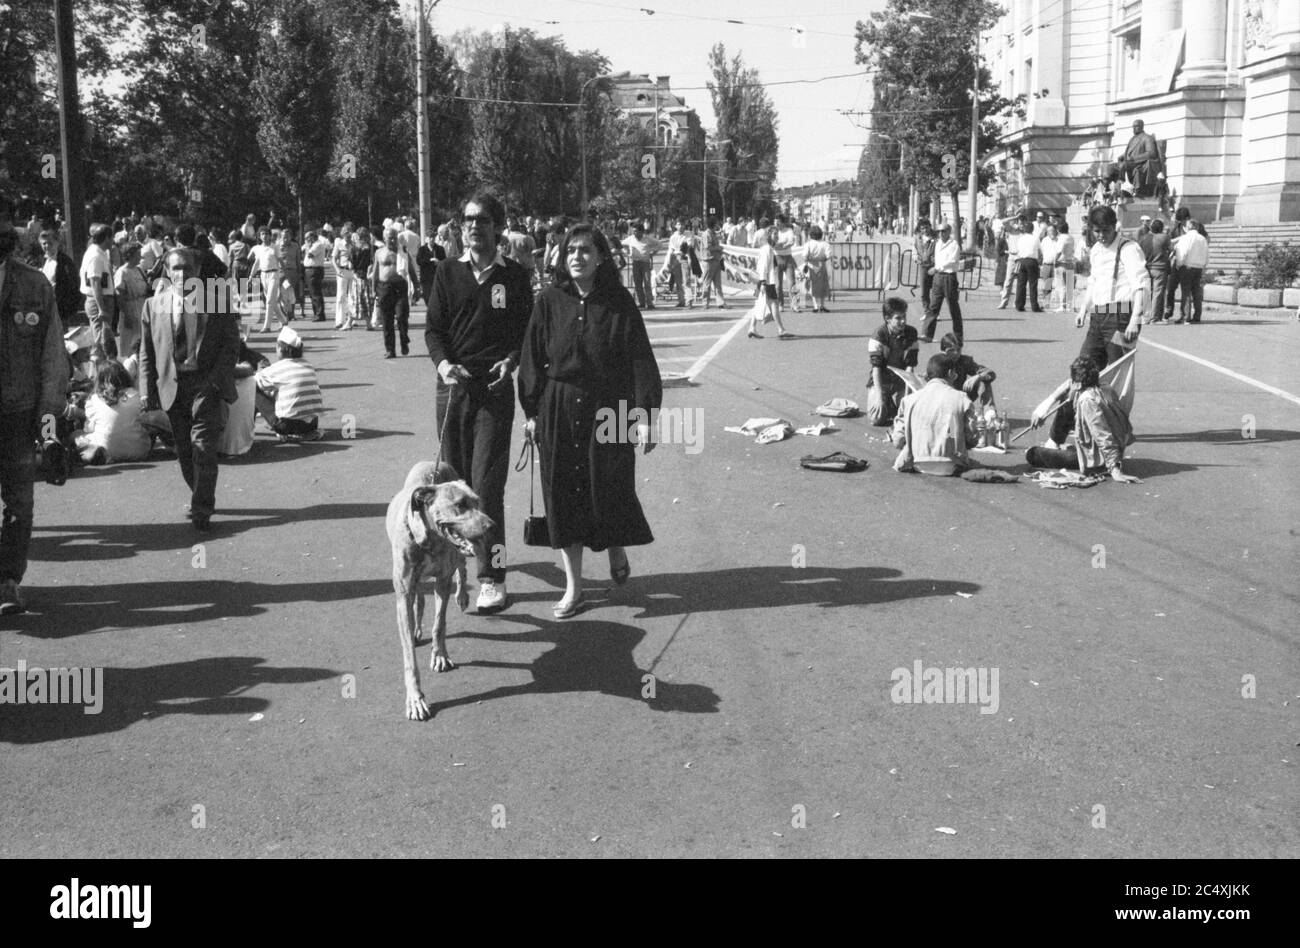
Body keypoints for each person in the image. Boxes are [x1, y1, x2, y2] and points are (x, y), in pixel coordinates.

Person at [518, 224, 661, 618]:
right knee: (563, 495)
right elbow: (532, 359)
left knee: (610, 486)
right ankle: (575, 587)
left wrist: (645, 415)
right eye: (570, 251)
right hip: (559, 407)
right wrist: (531, 412)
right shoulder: (548, 300)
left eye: (585, 250)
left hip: (610, 407)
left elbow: (640, 360)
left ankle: (615, 543)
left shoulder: (620, 302)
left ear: (600, 257)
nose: (577, 257)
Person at [425, 192, 534, 613]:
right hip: (453, 389)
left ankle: (494, 577)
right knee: (452, 489)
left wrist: (511, 361)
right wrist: (443, 363)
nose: (472, 226)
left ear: (498, 228)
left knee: (486, 488)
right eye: (467, 219)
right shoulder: (447, 272)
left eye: (482, 220)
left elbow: (526, 333)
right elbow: (434, 330)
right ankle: (453, 567)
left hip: (493, 392)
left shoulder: (515, 278)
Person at [138, 248, 240, 532]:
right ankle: (200, 492)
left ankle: (201, 509)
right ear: (167, 272)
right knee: (184, 450)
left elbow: (231, 346)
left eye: (186, 269)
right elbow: (146, 352)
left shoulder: (217, 302)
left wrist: (215, 382)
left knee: (204, 448)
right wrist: (146, 391)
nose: (181, 274)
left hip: (205, 385)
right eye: (175, 269)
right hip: (172, 387)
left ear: (197, 273)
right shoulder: (153, 306)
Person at [0, 217, 69, 613]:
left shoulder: (35, 286)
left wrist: (50, 429)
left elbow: (53, 360)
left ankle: (8, 581)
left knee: (19, 505)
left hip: (19, 416)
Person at [1027, 355, 1141, 482]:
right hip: (1117, 447)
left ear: (1079, 383)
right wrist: (1044, 407)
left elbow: (1102, 434)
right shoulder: (1105, 386)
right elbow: (1067, 384)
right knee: (1068, 399)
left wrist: (1114, 468)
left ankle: (1100, 461)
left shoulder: (1087, 400)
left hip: (1102, 459)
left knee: (1033, 454)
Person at [1074, 204, 1148, 375]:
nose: (1101, 236)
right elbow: (1093, 281)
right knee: (1084, 368)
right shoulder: (1096, 250)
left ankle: (1115, 402)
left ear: (1115, 226)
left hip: (1121, 315)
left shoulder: (1128, 248)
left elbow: (1141, 285)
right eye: (1096, 231)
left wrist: (1135, 319)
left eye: (1105, 231)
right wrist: (1084, 309)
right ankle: (1088, 401)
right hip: (1098, 316)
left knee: (1118, 370)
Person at [891, 352, 979, 475]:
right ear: (950, 373)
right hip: (952, 464)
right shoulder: (961, 398)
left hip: (917, 463)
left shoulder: (909, 400)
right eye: (955, 373)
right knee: (953, 428)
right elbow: (972, 438)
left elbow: (898, 440)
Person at [72, 360, 153, 464]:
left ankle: (92, 454)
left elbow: (89, 429)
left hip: (107, 449)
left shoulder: (94, 399)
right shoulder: (137, 395)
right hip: (140, 451)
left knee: (75, 435)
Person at [254, 326, 324, 442]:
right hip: (312, 423)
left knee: (254, 390)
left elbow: (255, 381)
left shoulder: (278, 368)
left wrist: (260, 370)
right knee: (282, 390)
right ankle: (301, 431)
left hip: (286, 425)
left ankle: (249, 428)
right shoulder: (308, 365)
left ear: (280, 349)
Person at [866, 296, 920, 426]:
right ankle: (886, 401)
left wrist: (907, 396)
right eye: (898, 318)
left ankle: (893, 404)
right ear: (887, 319)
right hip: (882, 381)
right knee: (876, 419)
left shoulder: (912, 333)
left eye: (904, 317)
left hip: (901, 381)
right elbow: (876, 369)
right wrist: (879, 397)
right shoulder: (878, 336)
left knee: (910, 414)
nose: (903, 321)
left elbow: (910, 367)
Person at [938, 333, 998, 448]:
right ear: (943, 351)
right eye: (951, 350)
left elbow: (990, 373)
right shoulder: (938, 362)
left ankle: (990, 415)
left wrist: (978, 376)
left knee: (984, 381)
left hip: (963, 396)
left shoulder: (964, 361)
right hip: (945, 401)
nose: (956, 353)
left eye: (958, 350)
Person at [373, 226, 417, 358]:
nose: (392, 240)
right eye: (389, 237)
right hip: (384, 288)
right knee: (387, 321)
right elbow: (375, 273)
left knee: (402, 316)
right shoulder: (379, 253)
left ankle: (404, 340)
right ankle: (390, 349)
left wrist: (417, 286)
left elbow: (411, 270)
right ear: (384, 238)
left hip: (400, 287)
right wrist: (373, 290)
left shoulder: (402, 252)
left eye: (394, 237)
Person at [748, 225, 793, 340]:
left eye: (777, 234)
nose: (777, 236)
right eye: (774, 234)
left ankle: (752, 328)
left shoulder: (769, 248)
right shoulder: (767, 249)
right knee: (774, 304)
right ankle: (781, 329)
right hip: (767, 281)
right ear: (769, 235)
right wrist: (763, 282)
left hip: (765, 281)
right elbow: (763, 266)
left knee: (760, 303)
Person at [81, 223, 119, 357]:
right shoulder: (95, 255)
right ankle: (99, 375)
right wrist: (101, 308)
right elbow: (94, 282)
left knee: (104, 341)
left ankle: (100, 373)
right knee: (101, 342)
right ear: (107, 238)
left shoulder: (98, 252)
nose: (113, 241)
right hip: (99, 301)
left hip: (102, 300)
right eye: (112, 237)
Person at [922, 222, 964, 344]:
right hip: (938, 277)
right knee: (933, 306)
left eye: (943, 231)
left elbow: (952, 260)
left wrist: (937, 268)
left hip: (949, 277)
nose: (941, 233)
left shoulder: (954, 245)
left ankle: (958, 335)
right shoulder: (938, 243)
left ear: (949, 232)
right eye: (939, 231)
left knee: (953, 307)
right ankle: (927, 334)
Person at [36, 228, 81, 329]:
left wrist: (68, 308)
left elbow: (73, 285)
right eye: (44, 244)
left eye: (50, 243)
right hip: (44, 307)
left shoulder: (65, 262)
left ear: (57, 243)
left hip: (60, 308)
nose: (46, 246)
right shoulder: (42, 261)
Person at [113, 242, 149, 361]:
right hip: (130, 309)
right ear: (131, 255)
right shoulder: (122, 272)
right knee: (132, 343)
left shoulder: (139, 270)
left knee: (144, 341)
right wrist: (127, 315)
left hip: (142, 307)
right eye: (138, 254)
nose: (140, 256)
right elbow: (119, 296)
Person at [1170, 218, 1208, 324]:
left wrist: (1179, 264)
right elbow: (1206, 254)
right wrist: (1204, 266)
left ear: (1188, 227)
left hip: (1187, 267)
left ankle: (1185, 316)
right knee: (1196, 292)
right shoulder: (1202, 238)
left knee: (1186, 292)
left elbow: (1182, 253)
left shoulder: (1186, 238)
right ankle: (1197, 315)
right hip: (1198, 267)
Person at [247, 227, 282, 333]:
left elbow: (281, 261)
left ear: (270, 236)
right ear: (259, 236)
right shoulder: (258, 248)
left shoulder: (275, 247)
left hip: (274, 274)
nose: (265, 236)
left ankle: (267, 326)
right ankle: (284, 321)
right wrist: (251, 276)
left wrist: (286, 276)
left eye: (266, 234)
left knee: (270, 300)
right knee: (271, 301)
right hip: (263, 275)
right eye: (262, 234)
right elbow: (256, 263)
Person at [1140, 219, 1172, 325]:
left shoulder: (1144, 238)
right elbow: (1170, 249)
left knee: (1147, 292)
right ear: (1161, 228)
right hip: (1160, 268)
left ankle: (1145, 316)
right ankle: (1154, 318)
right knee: (1158, 293)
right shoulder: (1164, 237)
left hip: (1147, 267)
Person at [622, 223, 658, 310]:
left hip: (645, 263)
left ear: (641, 232)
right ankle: (641, 302)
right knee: (638, 284)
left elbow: (659, 244)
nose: (634, 233)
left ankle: (650, 303)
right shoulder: (630, 239)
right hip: (636, 263)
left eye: (636, 231)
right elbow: (621, 244)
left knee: (647, 283)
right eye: (633, 231)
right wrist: (627, 252)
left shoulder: (647, 239)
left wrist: (653, 253)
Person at [1122, 120, 1162, 197]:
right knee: (1109, 168)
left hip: (1140, 164)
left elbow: (1151, 153)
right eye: (1133, 127)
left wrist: (1134, 158)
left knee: (1124, 167)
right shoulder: (1132, 139)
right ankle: (1108, 190)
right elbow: (1131, 151)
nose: (1133, 128)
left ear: (1141, 127)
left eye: (1136, 126)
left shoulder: (1147, 138)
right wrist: (1122, 156)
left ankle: (1127, 190)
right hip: (1129, 162)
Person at [1013, 216, 1044, 312]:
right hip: (1032, 261)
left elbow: (1018, 250)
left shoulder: (1021, 239)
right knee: (1033, 284)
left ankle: (1019, 305)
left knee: (1021, 284)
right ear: (1033, 229)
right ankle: (1034, 306)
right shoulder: (1035, 238)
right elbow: (1040, 250)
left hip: (1022, 261)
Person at [302, 229, 331, 322]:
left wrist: (307, 246)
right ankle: (316, 313)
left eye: (307, 238)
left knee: (316, 293)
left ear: (312, 237)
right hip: (309, 270)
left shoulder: (318, 244)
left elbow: (310, 254)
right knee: (312, 293)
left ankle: (320, 314)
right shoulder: (312, 245)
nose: (306, 240)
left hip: (315, 270)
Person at [698, 216, 726, 308]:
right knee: (707, 283)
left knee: (718, 284)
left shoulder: (713, 233)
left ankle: (720, 303)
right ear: (713, 224)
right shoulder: (707, 234)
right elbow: (708, 247)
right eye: (716, 223)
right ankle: (705, 303)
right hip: (708, 261)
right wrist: (718, 248)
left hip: (716, 260)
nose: (718, 224)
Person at [332, 223, 356, 329]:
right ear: (342, 234)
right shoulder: (339, 244)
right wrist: (337, 269)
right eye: (346, 232)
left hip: (353, 272)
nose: (348, 234)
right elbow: (333, 258)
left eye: (350, 232)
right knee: (341, 296)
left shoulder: (354, 244)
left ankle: (352, 318)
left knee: (353, 296)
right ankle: (339, 320)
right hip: (342, 270)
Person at [803, 225, 832, 312]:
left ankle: (815, 306)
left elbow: (804, 256)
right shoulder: (825, 244)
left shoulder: (808, 244)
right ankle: (822, 305)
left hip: (811, 265)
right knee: (823, 285)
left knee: (813, 286)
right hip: (822, 265)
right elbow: (828, 256)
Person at [1050, 222, 1076, 312]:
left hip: (1062, 263)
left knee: (1061, 286)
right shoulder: (1071, 238)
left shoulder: (1061, 238)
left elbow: (1059, 251)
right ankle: (1069, 305)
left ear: (1058, 230)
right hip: (1070, 262)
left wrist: (1055, 261)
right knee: (1069, 285)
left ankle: (1062, 305)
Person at [913, 220, 936, 320]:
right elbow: (914, 250)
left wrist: (936, 259)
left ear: (930, 227)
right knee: (924, 291)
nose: (925, 230)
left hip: (934, 266)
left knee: (935, 290)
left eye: (926, 227)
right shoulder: (917, 238)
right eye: (922, 228)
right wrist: (915, 258)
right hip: (923, 266)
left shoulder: (936, 238)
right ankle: (927, 311)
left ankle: (935, 312)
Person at [416, 230, 445, 305]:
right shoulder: (422, 249)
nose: (431, 239)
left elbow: (444, 261)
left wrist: (439, 262)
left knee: (437, 298)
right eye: (429, 237)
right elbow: (419, 261)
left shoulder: (440, 249)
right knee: (427, 297)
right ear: (426, 239)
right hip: (426, 277)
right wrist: (429, 260)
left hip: (436, 276)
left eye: (433, 237)